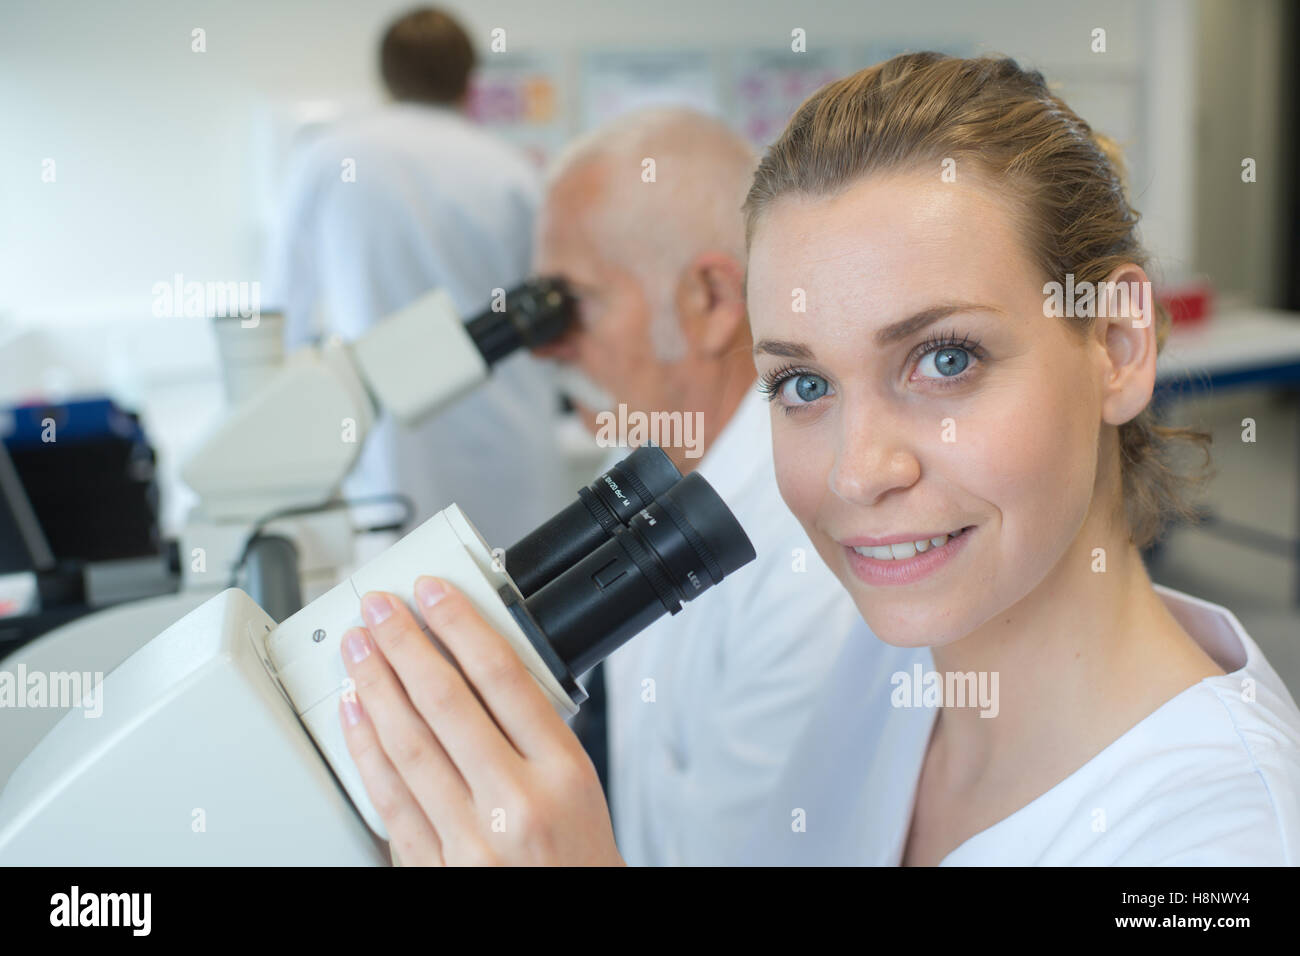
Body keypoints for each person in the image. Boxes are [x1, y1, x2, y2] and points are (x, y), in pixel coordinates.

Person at [330, 53, 1300, 866]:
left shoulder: (1219, 840)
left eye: (943, 359)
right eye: (802, 385)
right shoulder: (890, 664)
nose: (853, 471)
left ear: (1119, 345)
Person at [526, 107, 862, 865]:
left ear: (709, 301)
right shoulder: (646, 468)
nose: (550, 347)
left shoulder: (807, 559)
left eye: (575, 302)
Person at [264, 6, 570, 547]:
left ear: (385, 75)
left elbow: (282, 311)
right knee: (521, 604)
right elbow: (554, 310)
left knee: (407, 604)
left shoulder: (330, 158)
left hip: (393, 438)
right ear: (469, 78)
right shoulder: (511, 168)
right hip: (509, 440)